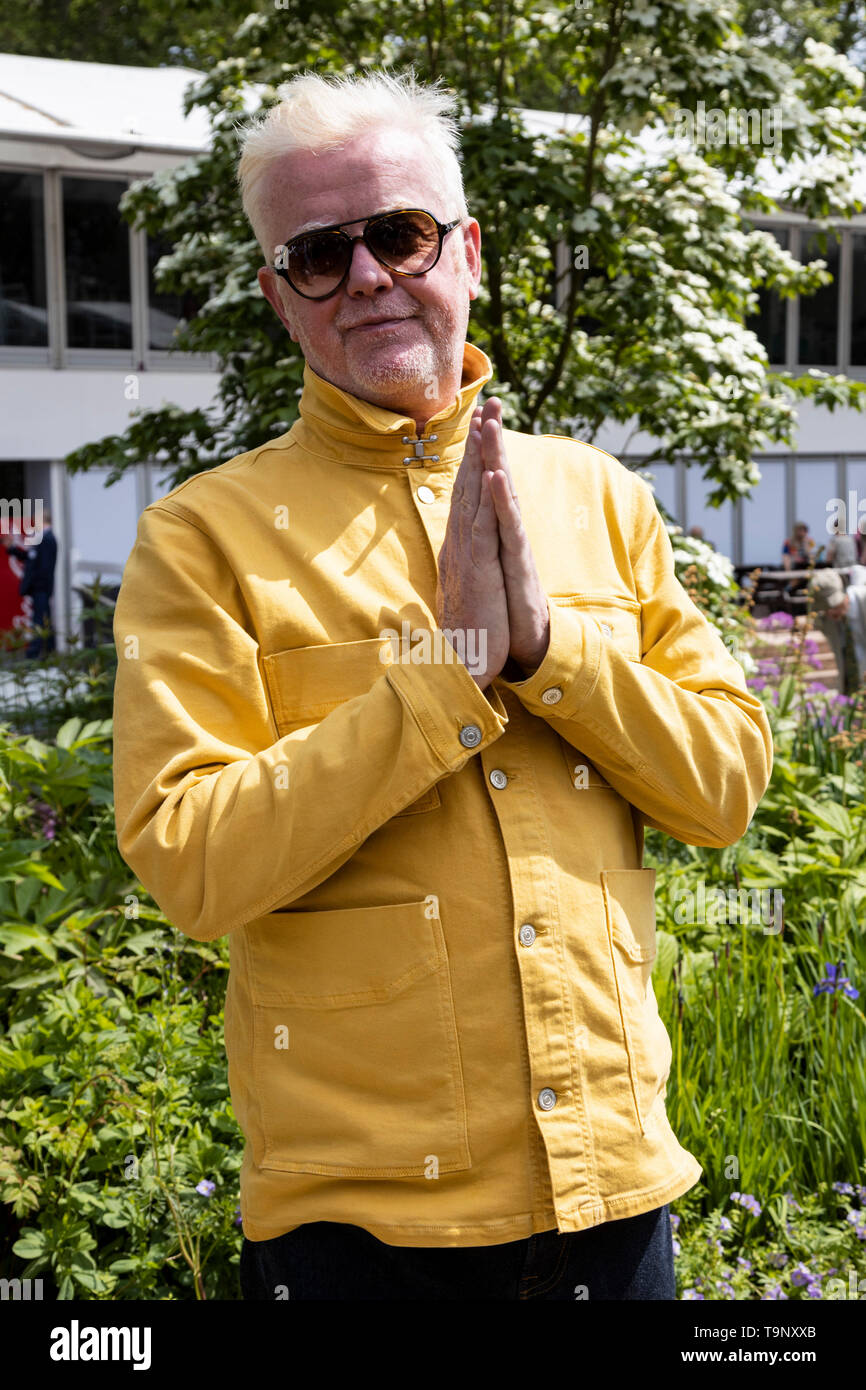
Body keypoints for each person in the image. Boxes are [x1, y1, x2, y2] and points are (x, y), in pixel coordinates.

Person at [111, 69, 773, 1302]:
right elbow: (188, 861)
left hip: (617, 1207)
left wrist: (544, 657)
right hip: (358, 1242)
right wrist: (440, 681)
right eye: (317, 253)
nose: (365, 276)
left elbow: (725, 787)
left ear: (464, 248)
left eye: (398, 233)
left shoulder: (597, 498)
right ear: (279, 296)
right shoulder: (202, 539)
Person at [1, 506, 57, 658]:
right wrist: (12, 548)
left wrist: (34, 584)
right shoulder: (41, 538)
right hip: (39, 588)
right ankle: (50, 650)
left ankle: (33, 653)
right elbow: (30, 558)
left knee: (39, 620)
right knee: (44, 618)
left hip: (41, 588)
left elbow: (43, 568)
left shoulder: (47, 539)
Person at [808, 567, 866, 695]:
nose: (830, 612)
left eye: (833, 606)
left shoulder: (863, 599)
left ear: (844, 591)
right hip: (851, 684)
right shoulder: (826, 619)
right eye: (824, 608)